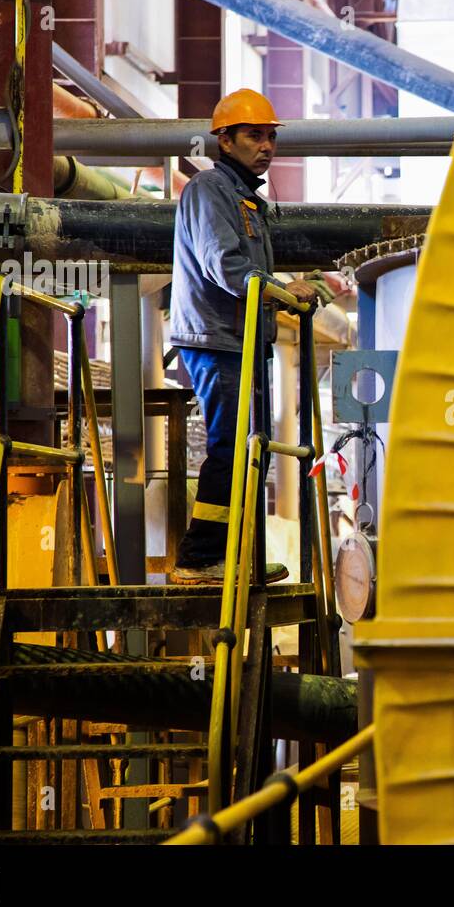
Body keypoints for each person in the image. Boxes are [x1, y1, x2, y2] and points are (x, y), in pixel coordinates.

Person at [168, 88, 321, 585]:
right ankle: (199, 559)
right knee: (232, 447)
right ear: (225, 140)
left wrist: (290, 293)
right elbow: (225, 265)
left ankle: (237, 556)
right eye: (254, 136)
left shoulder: (247, 200)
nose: (266, 146)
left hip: (245, 338)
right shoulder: (210, 190)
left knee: (249, 448)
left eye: (271, 137)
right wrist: (282, 289)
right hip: (216, 337)